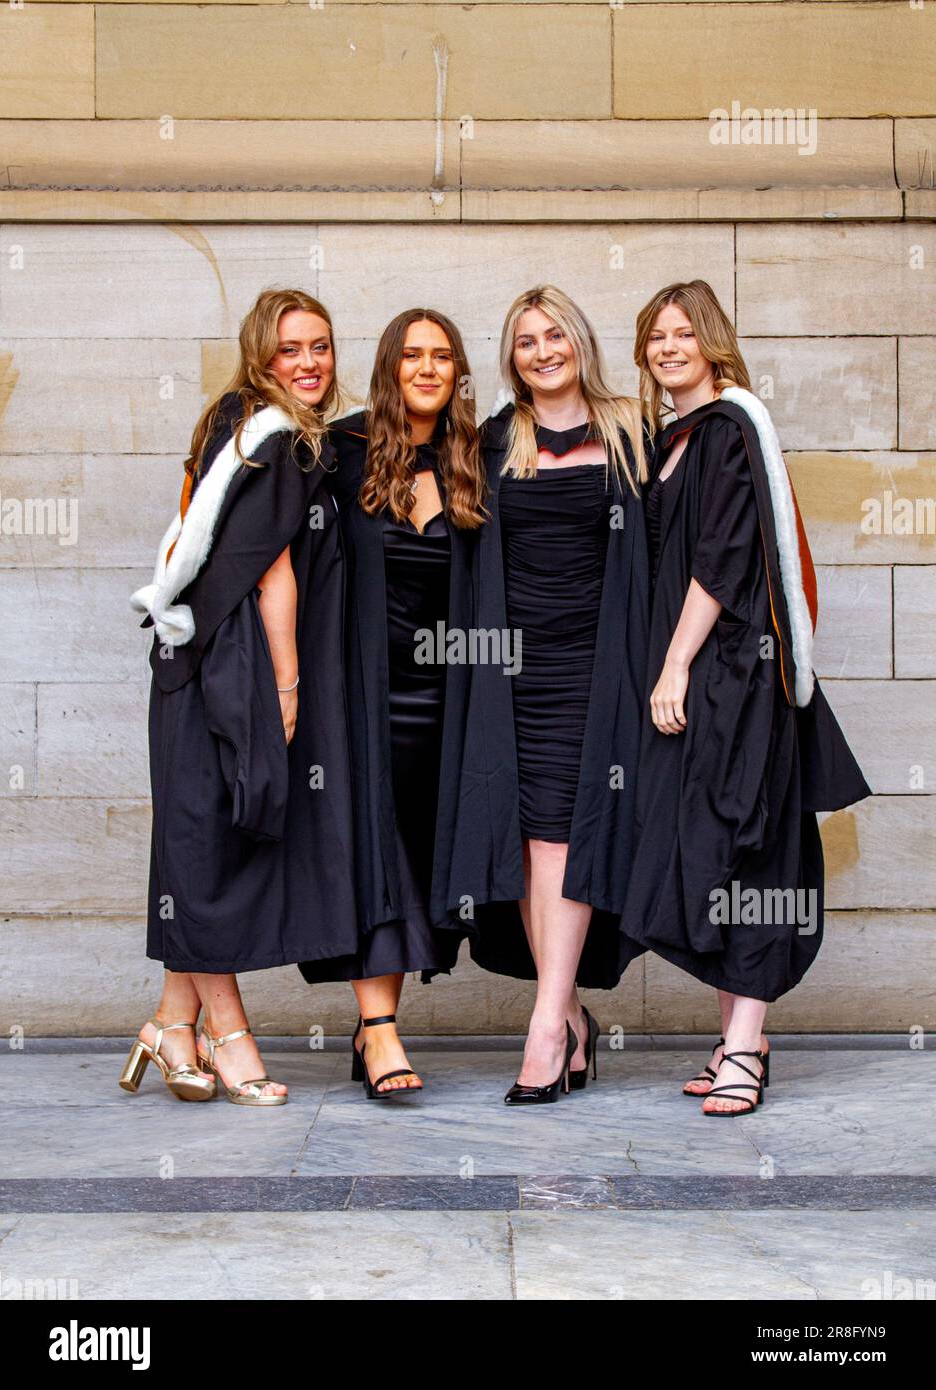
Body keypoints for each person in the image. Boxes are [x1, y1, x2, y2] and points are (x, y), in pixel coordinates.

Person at [625, 280, 871, 1116]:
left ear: (712, 342)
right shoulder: (673, 438)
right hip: (708, 677)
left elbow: (720, 562)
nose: (667, 347)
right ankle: (742, 1040)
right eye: (655, 335)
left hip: (734, 675)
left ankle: (741, 1050)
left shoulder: (731, 430)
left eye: (682, 333)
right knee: (710, 850)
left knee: (748, 846)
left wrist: (672, 665)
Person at [123, 289, 356, 1106]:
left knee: (203, 842)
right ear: (261, 356)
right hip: (228, 668)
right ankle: (228, 1034)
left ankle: (169, 1024)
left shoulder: (237, 425)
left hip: (194, 659)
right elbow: (272, 570)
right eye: (290, 348)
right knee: (208, 850)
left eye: (320, 346)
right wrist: (287, 686)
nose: (309, 363)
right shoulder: (270, 435)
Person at [449, 285, 650, 1105]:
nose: (542, 350)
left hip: (600, 670)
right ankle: (561, 1016)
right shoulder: (495, 440)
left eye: (554, 334)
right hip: (513, 674)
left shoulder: (635, 429)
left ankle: (547, 1026)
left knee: (571, 834)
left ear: (579, 342)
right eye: (525, 340)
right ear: (511, 357)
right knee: (535, 842)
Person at [298, 309, 485, 1099]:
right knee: (373, 852)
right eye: (411, 355)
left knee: (417, 857)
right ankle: (379, 1032)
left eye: (442, 356)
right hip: (362, 695)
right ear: (388, 366)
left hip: (451, 699)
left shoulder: (478, 457)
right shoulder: (337, 451)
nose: (427, 368)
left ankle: (375, 1026)